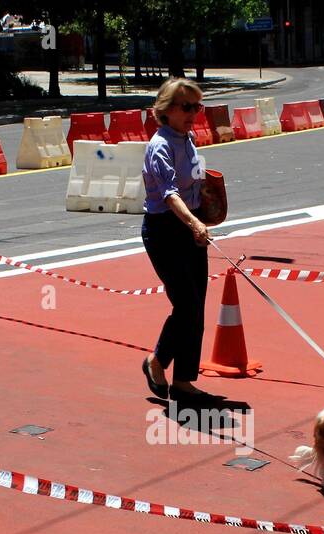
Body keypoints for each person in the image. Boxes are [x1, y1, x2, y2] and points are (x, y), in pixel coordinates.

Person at [140, 79, 218, 404]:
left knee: (196, 306)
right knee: (185, 304)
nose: (194, 114)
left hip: (190, 226)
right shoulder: (160, 147)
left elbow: (192, 182)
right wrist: (195, 222)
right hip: (165, 231)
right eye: (187, 107)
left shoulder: (188, 140)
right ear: (166, 109)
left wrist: (208, 199)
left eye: (197, 107)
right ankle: (156, 362)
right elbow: (170, 195)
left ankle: (184, 381)